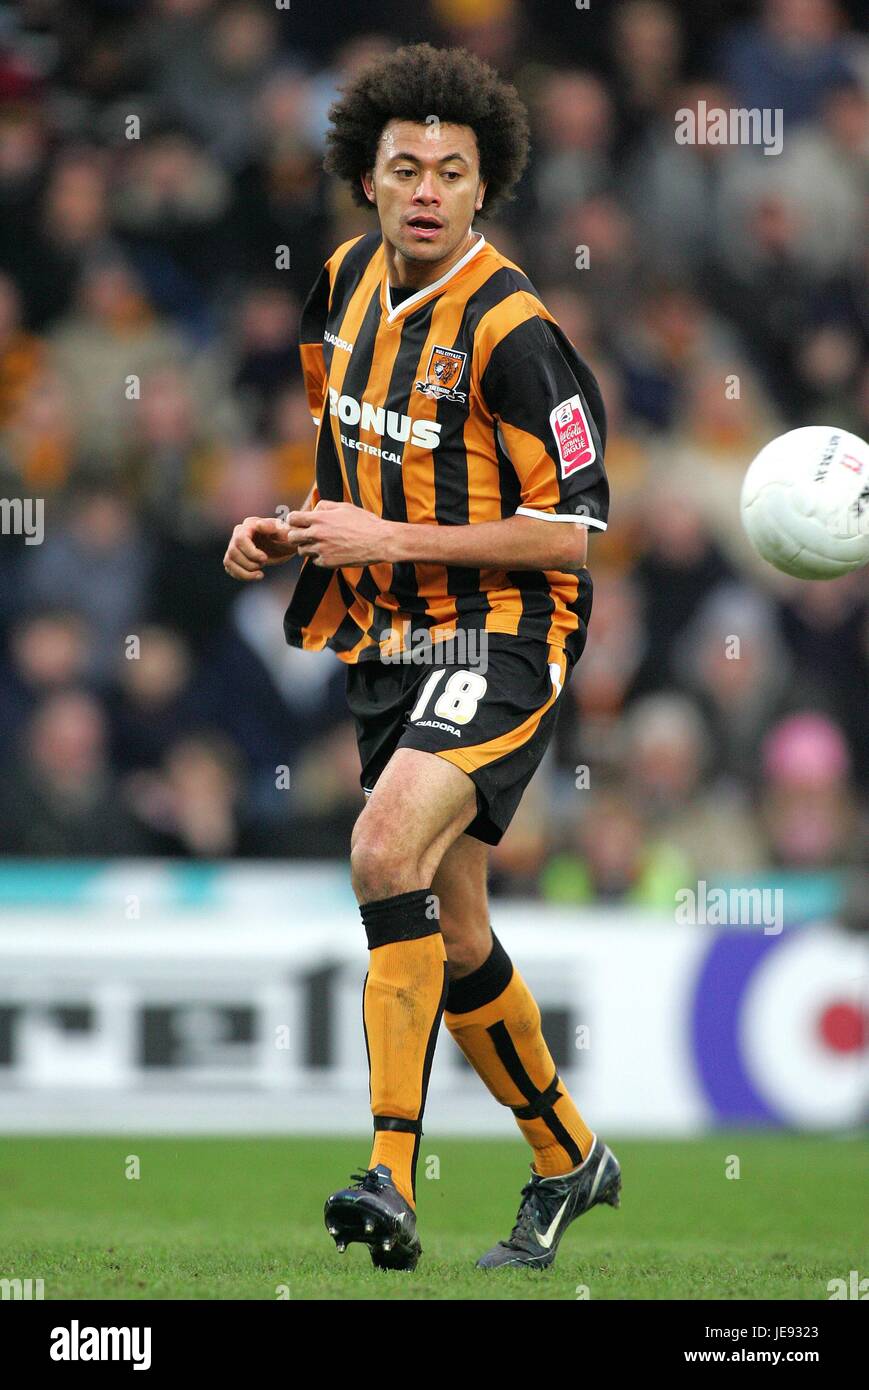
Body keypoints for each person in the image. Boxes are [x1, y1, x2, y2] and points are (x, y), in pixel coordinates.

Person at [223, 43, 618, 1272]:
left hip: (503, 631)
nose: (428, 190)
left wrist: (385, 533)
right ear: (368, 183)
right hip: (391, 640)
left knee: (382, 847)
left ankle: (387, 1175)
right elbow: (354, 471)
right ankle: (567, 1155)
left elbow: (575, 526)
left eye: (452, 170)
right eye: (406, 169)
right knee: (448, 925)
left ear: (483, 186)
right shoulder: (338, 288)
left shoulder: (515, 332)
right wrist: (287, 525)